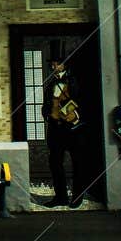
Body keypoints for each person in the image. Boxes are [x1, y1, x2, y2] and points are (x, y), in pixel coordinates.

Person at [43, 54, 86, 208]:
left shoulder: (74, 80)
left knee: (77, 163)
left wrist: (66, 112)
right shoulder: (51, 83)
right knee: (55, 163)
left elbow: (80, 100)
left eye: (57, 64)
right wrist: (47, 113)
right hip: (55, 128)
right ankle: (60, 197)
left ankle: (77, 197)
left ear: (64, 65)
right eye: (52, 64)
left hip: (72, 128)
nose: (53, 67)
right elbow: (47, 103)